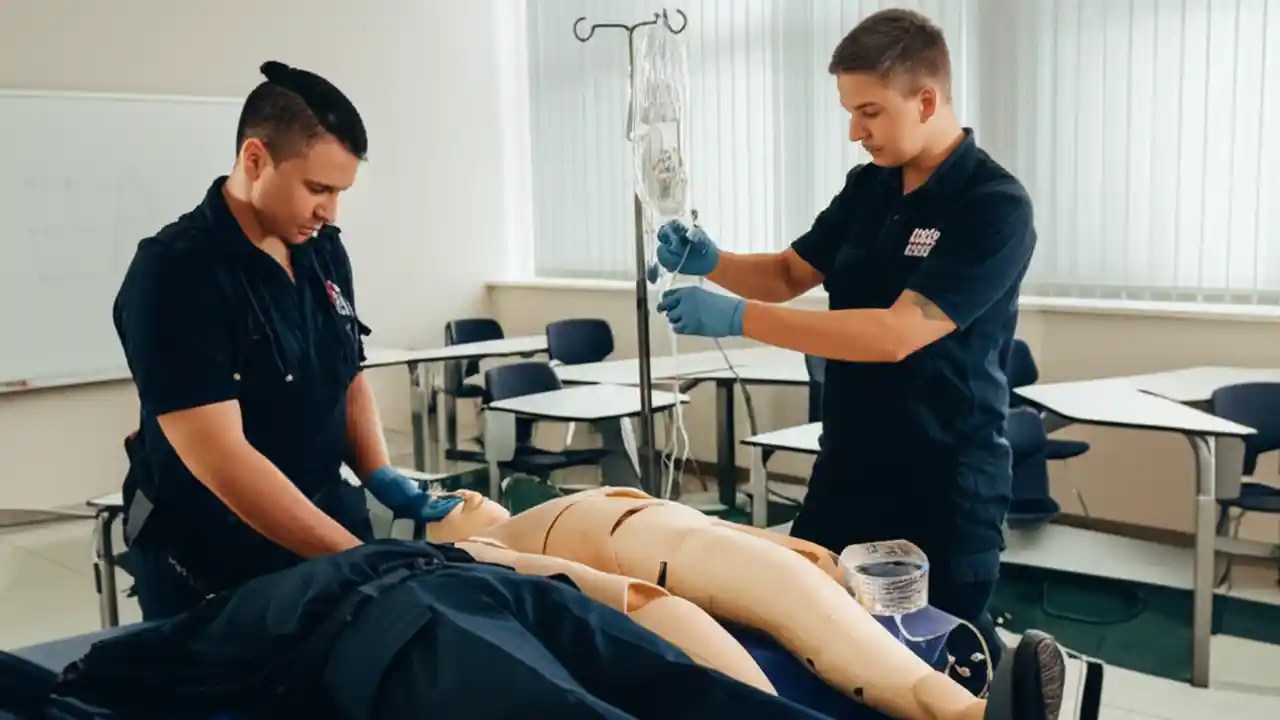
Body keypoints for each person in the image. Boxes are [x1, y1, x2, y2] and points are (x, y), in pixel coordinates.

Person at [653, 9, 1036, 689]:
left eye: (869, 112)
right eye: (849, 112)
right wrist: (713, 262)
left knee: (934, 667)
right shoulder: (870, 187)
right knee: (818, 640)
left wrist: (740, 318)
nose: (855, 132)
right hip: (851, 465)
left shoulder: (993, 204)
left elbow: (895, 334)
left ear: (926, 101)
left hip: (943, 478)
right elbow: (788, 273)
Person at [112, 61, 472, 620]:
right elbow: (223, 460)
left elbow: (345, 370)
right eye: (317, 189)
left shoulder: (321, 249)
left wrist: (378, 473)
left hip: (325, 526)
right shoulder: (176, 273)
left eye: (340, 192)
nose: (330, 211)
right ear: (255, 159)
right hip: (213, 565)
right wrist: (358, 560)